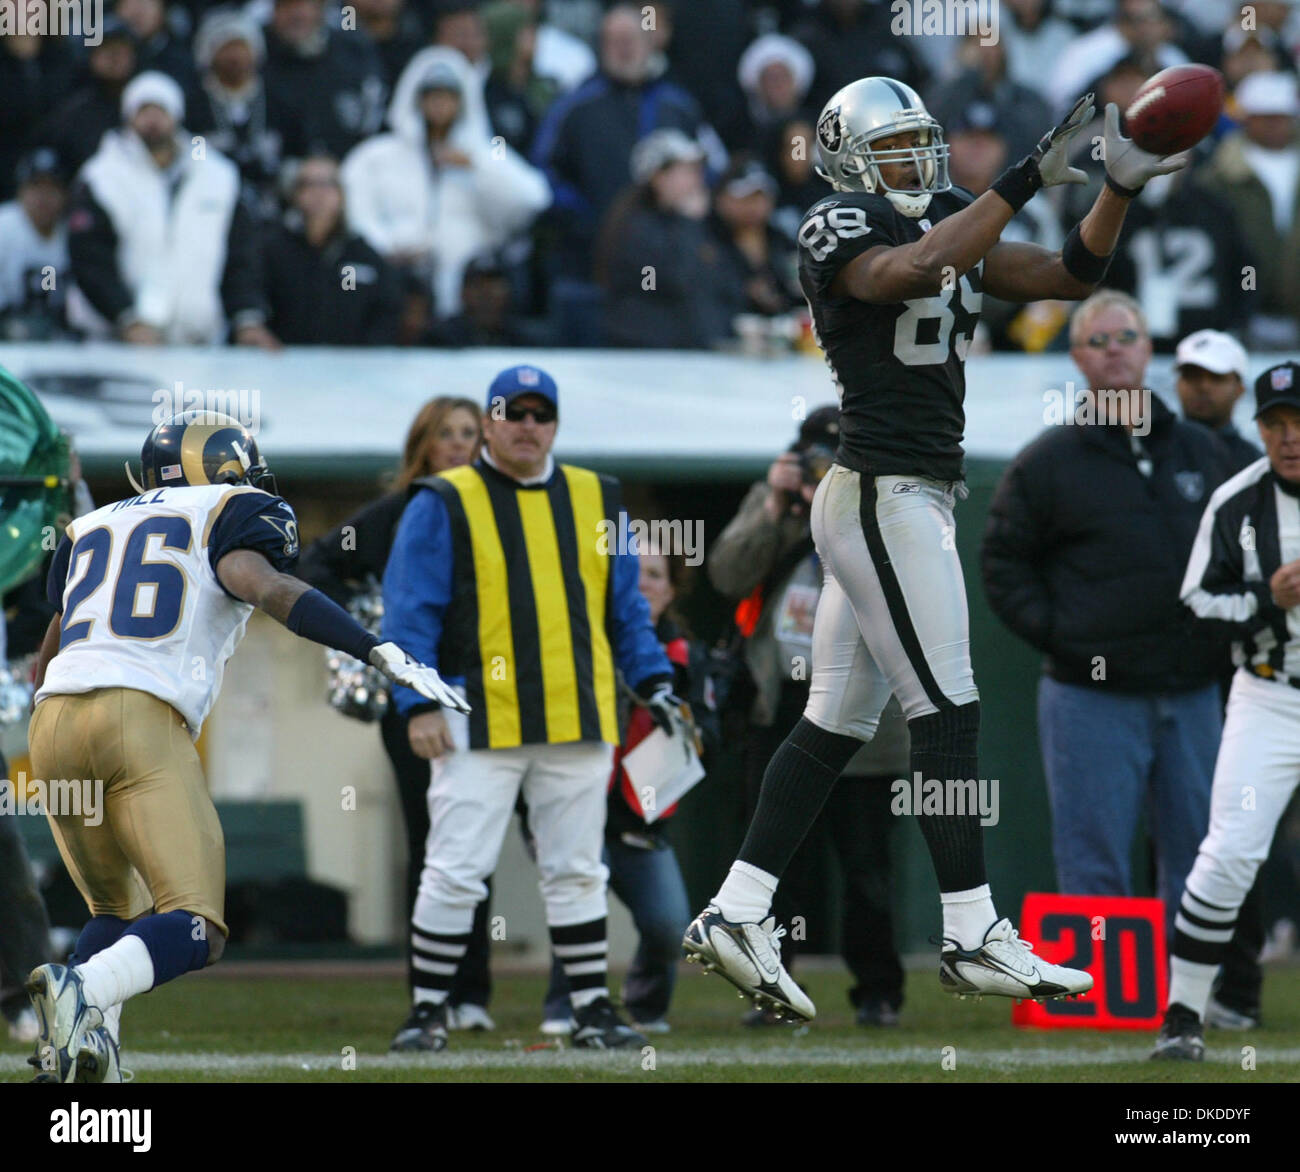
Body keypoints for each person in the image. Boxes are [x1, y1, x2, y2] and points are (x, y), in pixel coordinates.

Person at [683, 73, 1188, 1021]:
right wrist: (1026, 178)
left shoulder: (954, 211)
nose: (916, 163)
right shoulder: (835, 224)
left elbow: (1068, 276)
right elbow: (909, 273)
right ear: (846, 161)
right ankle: (971, 929)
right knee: (948, 704)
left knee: (833, 722)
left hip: (906, 494)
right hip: (882, 491)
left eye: (921, 142)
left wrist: (1117, 188)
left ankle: (737, 909)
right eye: (892, 149)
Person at [23, 411, 467, 1083]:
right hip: (136, 718)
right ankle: (82, 987)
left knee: (115, 912)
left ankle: (82, 1057)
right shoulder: (227, 510)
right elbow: (269, 587)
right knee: (196, 924)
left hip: (52, 722)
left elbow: (48, 656)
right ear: (226, 470)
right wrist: (372, 647)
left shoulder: (91, 527)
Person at [381, 364, 677, 1052]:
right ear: (489, 423)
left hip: (580, 715)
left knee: (577, 869)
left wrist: (656, 680)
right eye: (512, 413)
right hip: (476, 718)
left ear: (556, 425)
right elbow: (409, 613)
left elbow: (627, 610)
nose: (527, 426)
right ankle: (427, 1011)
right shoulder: (442, 498)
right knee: (455, 868)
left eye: (540, 414)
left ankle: (591, 1009)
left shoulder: (597, 497)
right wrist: (415, 703)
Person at [982, 292, 1232, 945]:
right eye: (1098, 340)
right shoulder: (1048, 460)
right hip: (1091, 696)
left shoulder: (1201, 451)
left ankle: (1187, 992)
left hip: (1193, 690)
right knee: (1094, 866)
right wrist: (1066, 635)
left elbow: (1241, 549)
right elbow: (1002, 563)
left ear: (1150, 350)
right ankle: (1101, 995)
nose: (1114, 350)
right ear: (1076, 357)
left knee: (1200, 862)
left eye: (1126, 337)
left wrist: (1216, 637)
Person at [296, 396, 497, 1031]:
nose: (460, 444)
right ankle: (434, 994)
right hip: (416, 702)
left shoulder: (499, 507)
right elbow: (313, 563)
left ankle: (475, 994)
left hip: (490, 697)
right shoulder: (400, 511)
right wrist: (364, 619)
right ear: (424, 446)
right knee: (432, 840)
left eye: (470, 433)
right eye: (447, 434)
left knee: (480, 841)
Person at [708, 407, 908, 1027]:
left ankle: (877, 992)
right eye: (814, 460)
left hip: (861, 715)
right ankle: (772, 986)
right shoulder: (775, 503)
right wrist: (775, 506)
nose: (822, 473)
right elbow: (726, 574)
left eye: (834, 462)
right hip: (780, 709)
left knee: (866, 869)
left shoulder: (888, 506)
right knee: (776, 862)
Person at [1153, 361, 1300, 1059]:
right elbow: (1195, 608)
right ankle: (1184, 1017)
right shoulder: (1237, 502)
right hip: (1270, 695)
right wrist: (1269, 598)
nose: (1290, 437)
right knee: (1230, 852)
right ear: (1259, 430)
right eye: (1277, 424)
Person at [540, 542, 719, 1035]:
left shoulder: (685, 657)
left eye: (655, 574)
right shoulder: (580, 641)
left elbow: (710, 736)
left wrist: (675, 726)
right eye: (632, 571)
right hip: (578, 806)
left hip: (641, 820)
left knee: (668, 924)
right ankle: (567, 1007)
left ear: (672, 590)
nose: (643, 583)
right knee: (579, 895)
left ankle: (645, 1007)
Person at [65, 71, 275, 348]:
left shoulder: (217, 175)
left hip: (199, 345)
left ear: (177, 115)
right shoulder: (101, 177)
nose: (152, 120)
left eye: (161, 110)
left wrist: (247, 318)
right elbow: (90, 260)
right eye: (143, 110)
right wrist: (125, 318)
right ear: (128, 117)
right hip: (116, 343)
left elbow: (241, 257)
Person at [341, 49, 551, 322]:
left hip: (466, 300)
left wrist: (474, 164)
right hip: (397, 293)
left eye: (449, 96)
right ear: (415, 98)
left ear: (464, 101)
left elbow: (532, 200)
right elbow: (355, 211)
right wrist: (389, 247)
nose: (440, 104)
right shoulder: (377, 154)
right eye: (432, 95)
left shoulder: (487, 152)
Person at [594, 128, 731, 349]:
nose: (697, 180)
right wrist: (689, 224)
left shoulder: (692, 223)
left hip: (688, 351)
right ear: (658, 177)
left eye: (698, 171)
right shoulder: (634, 229)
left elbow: (717, 281)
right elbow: (667, 282)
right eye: (688, 171)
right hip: (646, 352)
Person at [1196, 71, 1300, 350]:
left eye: (1280, 116)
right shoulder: (1218, 174)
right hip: (1243, 313)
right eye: (1264, 116)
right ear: (1246, 117)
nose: (1274, 124)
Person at [262, 155, 402, 346]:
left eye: (327, 184)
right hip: (287, 357)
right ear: (295, 194)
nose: (319, 193)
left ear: (342, 194)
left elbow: (385, 308)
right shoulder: (273, 251)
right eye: (309, 184)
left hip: (350, 360)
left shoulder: (361, 256)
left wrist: (368, 353)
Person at [0, 148, 72, 342]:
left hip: (55, 338)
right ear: (20, 191)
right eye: (36, 187)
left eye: (52, 188)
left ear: (65, 194)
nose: (43, 197)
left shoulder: (73, 234)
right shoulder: (4, 226)